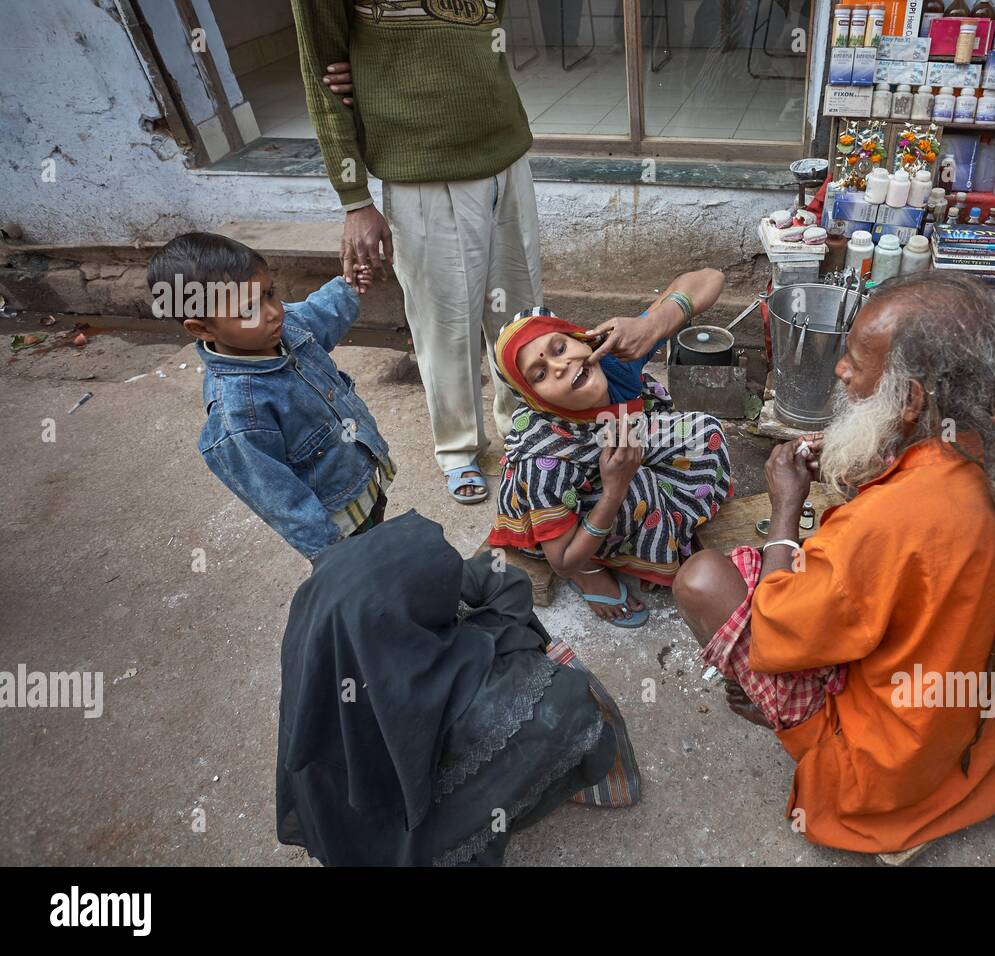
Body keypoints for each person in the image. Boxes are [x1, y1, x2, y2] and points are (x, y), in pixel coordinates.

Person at [673, 272, 995, 856]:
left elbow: (783, 627)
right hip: (981, 727)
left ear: (911, 400)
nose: (840, 372)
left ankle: (792, 721)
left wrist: (786, 509)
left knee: (701, 579)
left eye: (855, 360)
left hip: (889, 764)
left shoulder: (889, 521)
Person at [291, 1, 542, 503]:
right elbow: (322, 76)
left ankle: (527, 433)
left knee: (521, 314)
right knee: (445, 324)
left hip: (507, 157)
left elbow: (483, 24)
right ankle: (459, 449)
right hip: (422, 171)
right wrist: (355, 199)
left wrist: (374, 66)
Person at [276, 512, 625, 865]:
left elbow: (490, 572)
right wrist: (508, 636)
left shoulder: (328, 637)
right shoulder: (468, 695)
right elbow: (507, 591)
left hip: (341, 828)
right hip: (412, 830)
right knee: (561, 702)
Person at [487, 270, 734, 627]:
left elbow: (710, 278)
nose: (559, 366)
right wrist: (614, 491)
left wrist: (654, 324)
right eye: (540, 374)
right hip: (565, 514)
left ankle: (651, 524)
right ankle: (589, 573)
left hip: (618, 444)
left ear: (584, 340)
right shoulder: (544, 459)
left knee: (703, 432)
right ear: (535, 400)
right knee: (638, 491)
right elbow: (562, 560)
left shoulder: (614, 362)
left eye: (559, 348)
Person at [147, 232, 393, 561]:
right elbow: (279, 498)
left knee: (382, 544)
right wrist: (331, 558)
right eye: (248, 309)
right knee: (365, 575)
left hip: (361, 476)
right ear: (202, 329)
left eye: (269, 293)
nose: (273, 312)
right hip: (337, 523)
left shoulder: (281, 326)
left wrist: (347, 287)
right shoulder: (238, 412)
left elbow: (318, 314)